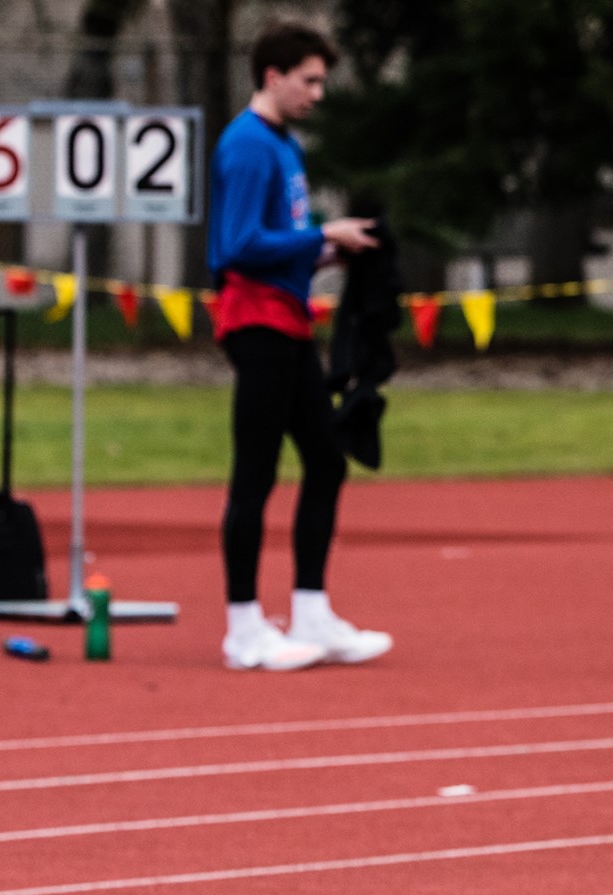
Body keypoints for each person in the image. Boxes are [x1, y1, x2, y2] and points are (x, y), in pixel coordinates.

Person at [209, 22, 391, 672]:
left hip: (284, 317)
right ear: (273, 75)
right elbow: (235, 246)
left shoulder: (284, 145)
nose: (317, 92)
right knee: (255, 473)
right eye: (309, 79)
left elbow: (271, 248)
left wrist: (324, 256)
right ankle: (242, 627)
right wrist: (320, 234)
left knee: (325, 459)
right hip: (255, 323)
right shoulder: (249, 144)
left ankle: (310, 609)